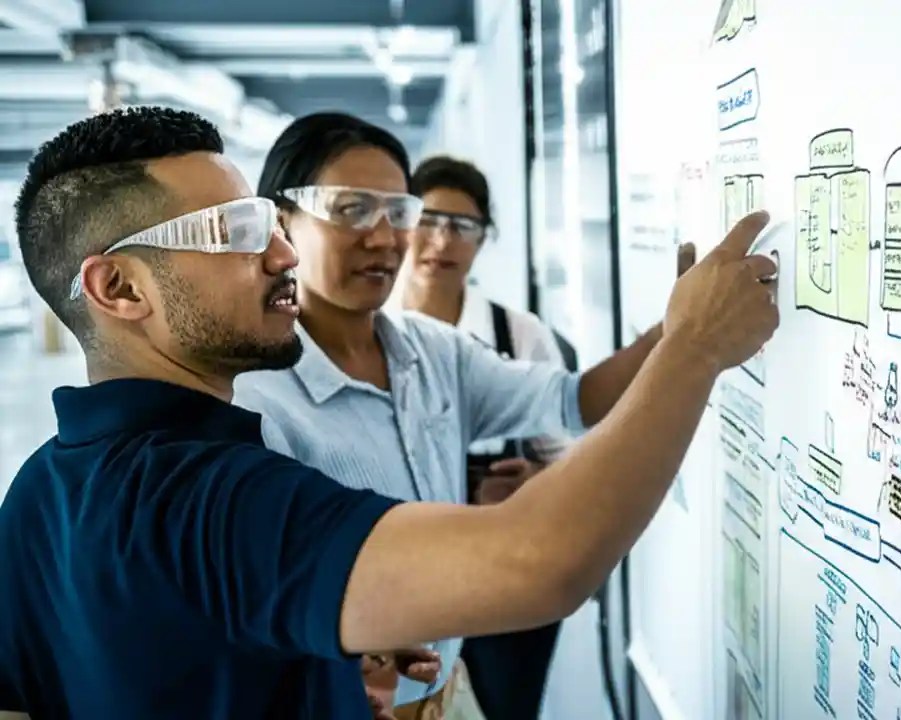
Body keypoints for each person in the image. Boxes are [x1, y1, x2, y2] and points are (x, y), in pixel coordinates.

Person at [0, 106, 779, 718]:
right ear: (120, 289)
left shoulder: (37, 491)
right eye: (235, 233)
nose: (280, 256)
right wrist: (695, 348)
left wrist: (322, 674)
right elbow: (539, 562)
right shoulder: (219, 497)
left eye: (264, 228)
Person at [234, 113, 677, 716]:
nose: (385, 237)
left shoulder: (430, 351)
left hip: (449, 693)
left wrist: (679, 331)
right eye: (351, 210)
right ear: (282, 222)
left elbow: (578, 399)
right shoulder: (255, 400)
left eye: (398, 211)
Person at [400, 155, 571, 719]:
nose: (442, 240)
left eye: (463, 226)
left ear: (482, 240)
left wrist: (536, 482)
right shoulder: (369, 329)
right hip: (405, 582)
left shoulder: (517, 335)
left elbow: (572, 460)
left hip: (504, 581)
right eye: (426, 220)